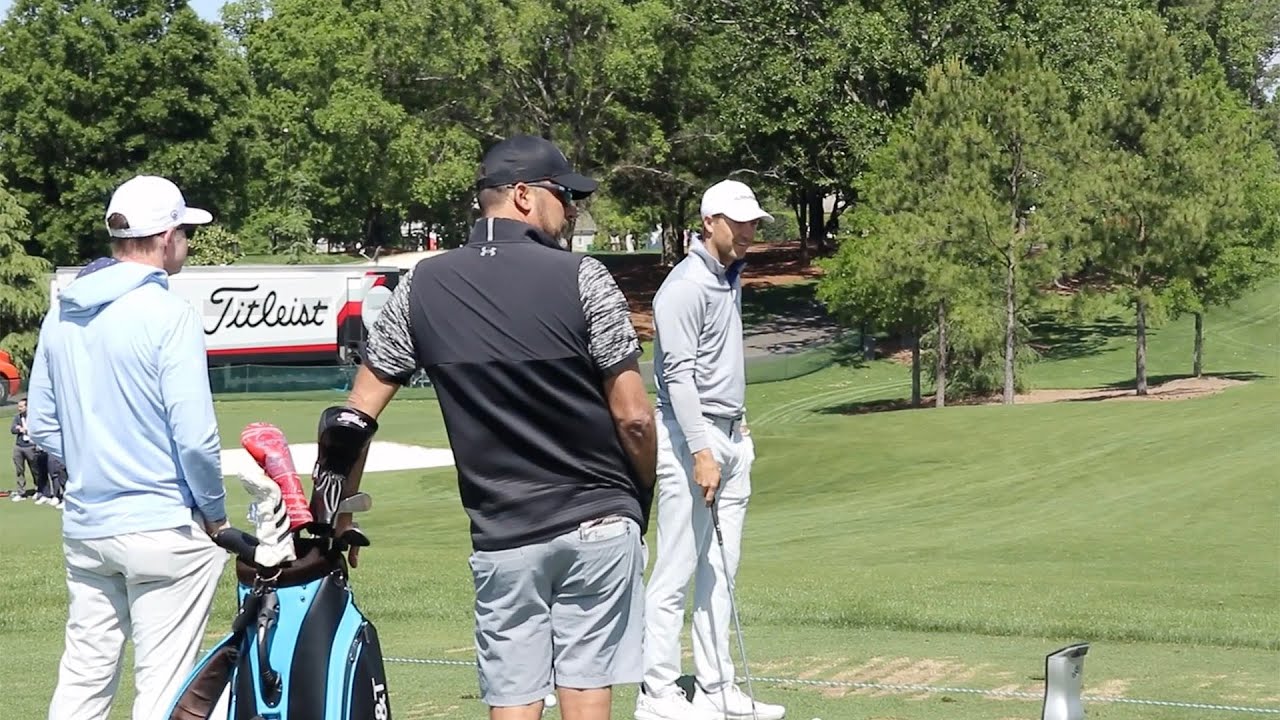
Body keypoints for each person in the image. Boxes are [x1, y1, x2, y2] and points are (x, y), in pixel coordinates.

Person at [318, 134, 657, 720]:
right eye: (564, 195)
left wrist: (337, 511)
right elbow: (633, 417)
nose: (572, 210)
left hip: (502, 531)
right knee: (587, 686)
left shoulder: (422, 284)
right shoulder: (585, 277)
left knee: (514, 696)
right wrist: (641, 494)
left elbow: (353, 418)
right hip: (599, 517)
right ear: (524, 196)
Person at [26, 174, 231, 720]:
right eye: (183, 230)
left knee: (83, 680)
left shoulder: (62, 312)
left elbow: (43, 425)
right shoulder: (170, 315)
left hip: (89, 526)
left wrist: (98, 459)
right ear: (165, 238)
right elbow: (194, 437)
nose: (185, 241)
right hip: (163, 525)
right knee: (164, 686)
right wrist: (214, 515)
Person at [635, 179, 787, 720]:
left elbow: (720, 364)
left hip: (730, 433)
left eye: (752, 222)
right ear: (709, 222)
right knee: (676, 568)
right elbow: (676, 375)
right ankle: (657, 692)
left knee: (720, 569)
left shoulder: (729, 277)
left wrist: (737, 428)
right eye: (738, 221)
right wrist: (702, 450)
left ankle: (716, 685)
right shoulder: (683, 287)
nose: (748, 230)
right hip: (687, 437)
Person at [10, 398, 40, 501]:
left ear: (27, 407)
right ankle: (21, 492)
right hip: (19, 446)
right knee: (19, 470)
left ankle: (39, 490)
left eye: (21, 406)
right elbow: (12, 429)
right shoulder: (17, 418)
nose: (19, 408)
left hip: (30, 446)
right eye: (19, 406)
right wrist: (18, 428)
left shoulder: (33, 418)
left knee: (35, 470)